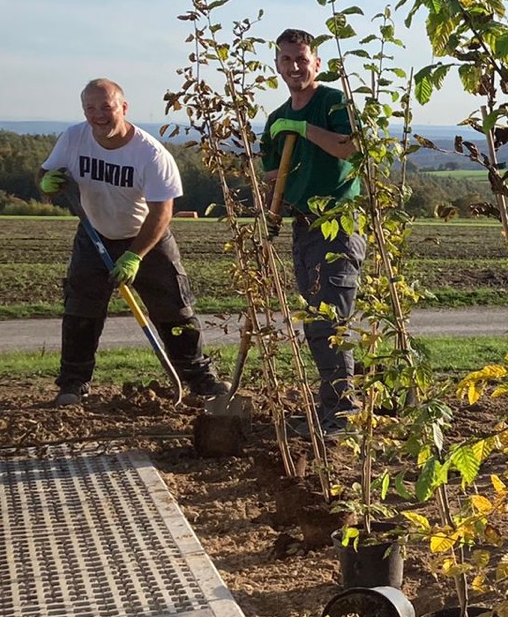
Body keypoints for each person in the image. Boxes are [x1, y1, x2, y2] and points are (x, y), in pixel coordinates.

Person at [39, 79, 226, 406]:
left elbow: (162, 212)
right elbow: (44, 178)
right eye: (90, 108)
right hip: (93, 235)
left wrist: (135, 256)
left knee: (175, 311)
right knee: (81, 312)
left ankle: (199, 379)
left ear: (123, 108)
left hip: (147, 239)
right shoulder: (73, 138)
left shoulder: (149, 154)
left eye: (106, 107)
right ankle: (73, 384)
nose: (98, 115)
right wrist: (46, 183)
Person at [260, 28, 364, 430]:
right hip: (303, 225)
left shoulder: (334, 101)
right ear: (277, 66)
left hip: (337, 222)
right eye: (286, 60)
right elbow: (273, 174)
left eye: (302, 59)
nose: (294, 66)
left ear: (316, 63)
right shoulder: (275, 118)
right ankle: (335, 404)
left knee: (329, 316)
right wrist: (270, 206)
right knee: (315, 315)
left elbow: (348, 146)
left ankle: (341, 412)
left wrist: (302, 130)